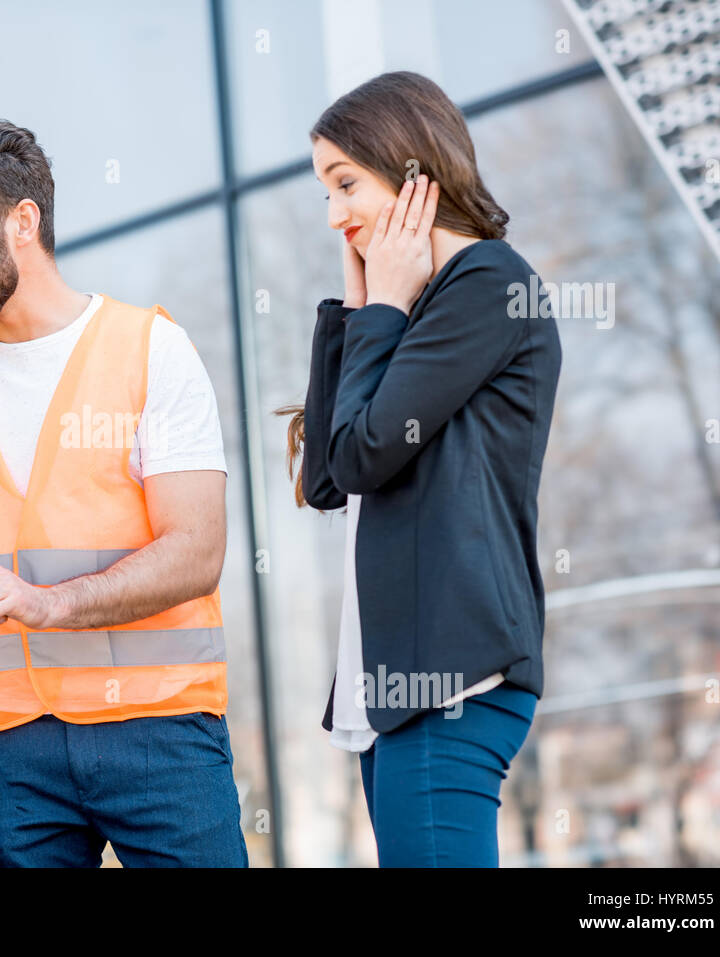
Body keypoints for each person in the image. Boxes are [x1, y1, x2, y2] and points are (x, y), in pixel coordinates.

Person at [0, 116, 247, 868]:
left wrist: (49, 605)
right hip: (2, 751)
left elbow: (197, 551)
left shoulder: (149, 350)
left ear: (23, 222)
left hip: (158, 729)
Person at [277, 71, 562, 867]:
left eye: (345, 184)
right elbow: (330, 479)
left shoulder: (490, 284)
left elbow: (366, 451)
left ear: (411, 173)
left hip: (451, 682)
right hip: (397, 689)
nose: (335, 216)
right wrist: (357, 306)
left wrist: (383, 311)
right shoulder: (421, 301)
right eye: (323, 193)